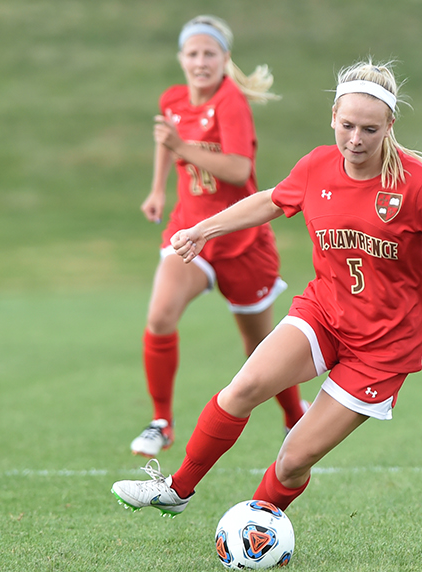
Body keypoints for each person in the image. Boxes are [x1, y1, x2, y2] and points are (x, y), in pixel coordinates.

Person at [112, 58, 422, 516]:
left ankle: (256, 524)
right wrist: (203, 230)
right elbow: (269, 201)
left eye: (370, 129)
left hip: (382, 348)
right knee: (243, 388)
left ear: (390, 126)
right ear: (333, 117)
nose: (355, 139)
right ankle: (176, 489)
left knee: (292, 462)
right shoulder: (317, 166)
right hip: (323, 314)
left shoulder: (417, 186)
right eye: (347, 125)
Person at [130, 15, 306, 459]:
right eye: (192, 53)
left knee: (260, 348)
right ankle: (161, 422)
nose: (200, 61)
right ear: (181, 58)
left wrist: (181, 147)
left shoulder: (230, 103)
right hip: (190, 233)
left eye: (209, 53)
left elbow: (238, 169)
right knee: (160, 316)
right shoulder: (172, 99)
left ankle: (294, 416)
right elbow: (165, 139)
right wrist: (157, 189)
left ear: (225, 58)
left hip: (241, 242)